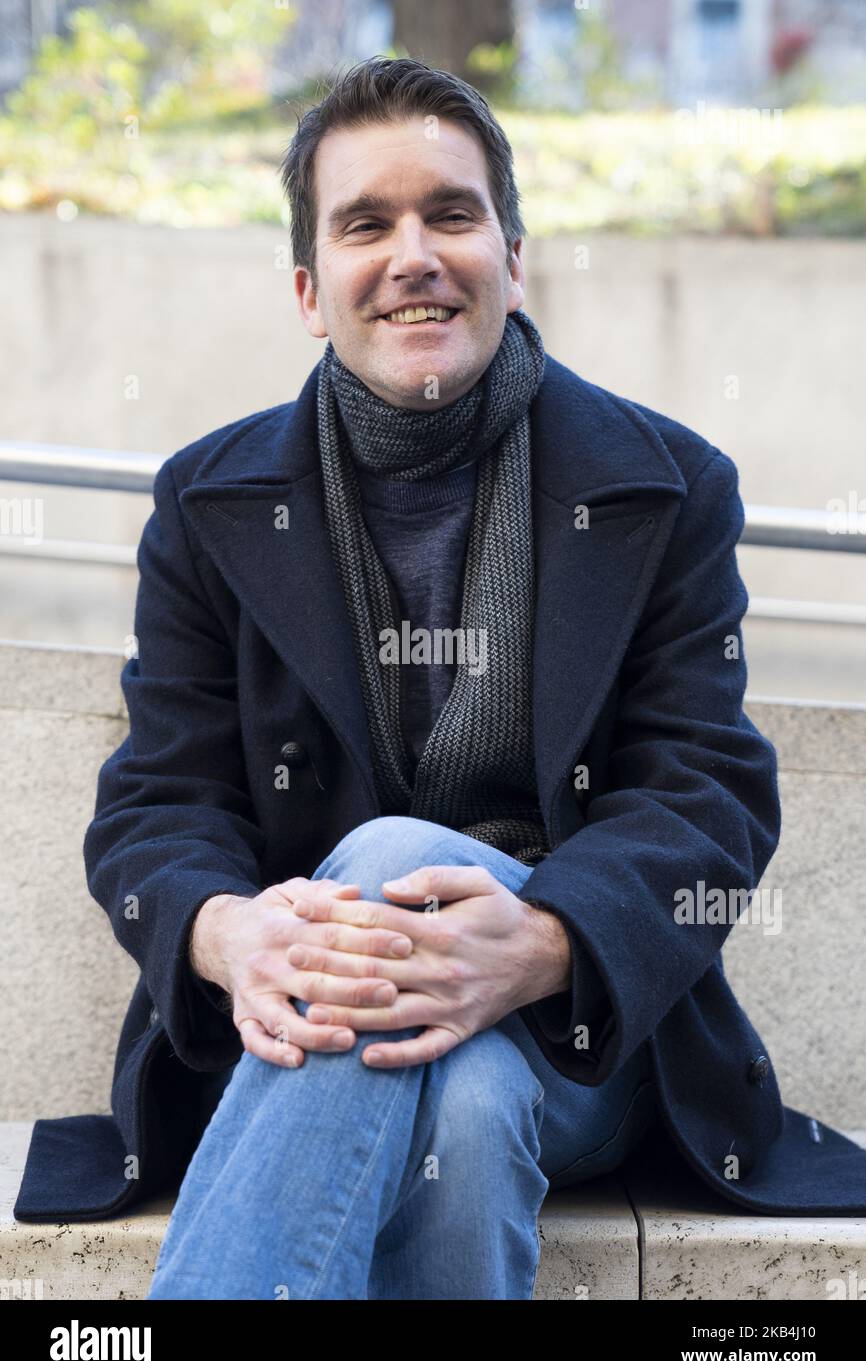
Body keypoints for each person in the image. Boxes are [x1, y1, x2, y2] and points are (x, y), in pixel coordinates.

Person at [14, 56, 866, 1298]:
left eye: (450, 214)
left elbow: (707, 794)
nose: (412, 252)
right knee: (457, 1109)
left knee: (382, 858)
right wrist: (229, 932)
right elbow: (155, 802)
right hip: (305, 1019)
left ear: (512, 259)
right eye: (367, 222)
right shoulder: (209, 504)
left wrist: (534, 939)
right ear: (310, 289)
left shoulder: (665, 486)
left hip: (579, 1038)